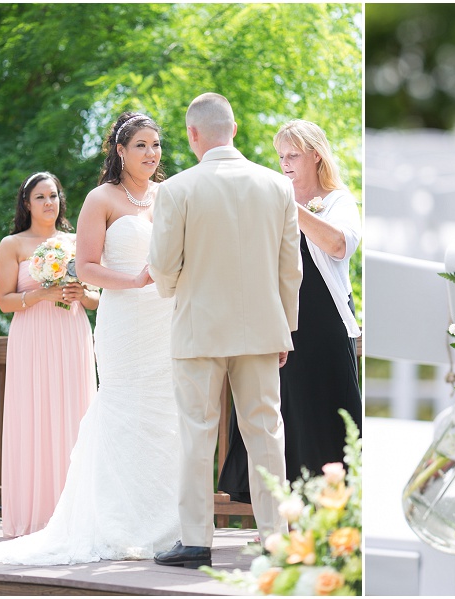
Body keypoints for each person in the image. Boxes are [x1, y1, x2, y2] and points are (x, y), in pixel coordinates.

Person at [0, 112, 180, 565]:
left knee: (166, 414)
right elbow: (87, 266)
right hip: (122, 321)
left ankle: (167, 522)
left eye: (156, 145)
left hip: (162, 317)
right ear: (120, 151)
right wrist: (136, 281)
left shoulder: (169, 194)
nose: (152, 153)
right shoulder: (100, 198)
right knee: (120, 411)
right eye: (141, 145)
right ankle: (111, 520)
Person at [150, 92, 301, 569]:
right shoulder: (278, 186)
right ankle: (276, 537)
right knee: (266, 434)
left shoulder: (177, 189)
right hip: (261, 331)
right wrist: (286, 329)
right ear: (233, 129)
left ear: (194, 134)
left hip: (198, 329)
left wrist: (176, 287)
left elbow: (163, 266)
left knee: (197, 433)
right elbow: (289, 269)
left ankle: (196, 541)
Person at [218, 119, 362, 503]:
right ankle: (277, 516)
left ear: (316, 156)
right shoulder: (272, 200)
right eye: (281, 156)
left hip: (325, 321)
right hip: (280, 319)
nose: (285, 164)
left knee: (322, 415)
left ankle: (330, 512)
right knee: (280, 414)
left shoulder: (338, 201)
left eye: (293, 155)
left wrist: (292, 207)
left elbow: (338, 245)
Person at [0, 171, 99, 538]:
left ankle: (77, 513)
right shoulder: (12, 245)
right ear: (26, 203)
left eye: (53, 196)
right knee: (34, 415)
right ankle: (35, 515)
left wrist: (80, 295)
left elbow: (99, 296)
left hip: (71, 333)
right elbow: (4, 301)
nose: (48, 203)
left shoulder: (74, 240)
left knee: (75, 414)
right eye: (40, 197)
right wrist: (38, 295)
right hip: (32, 338)